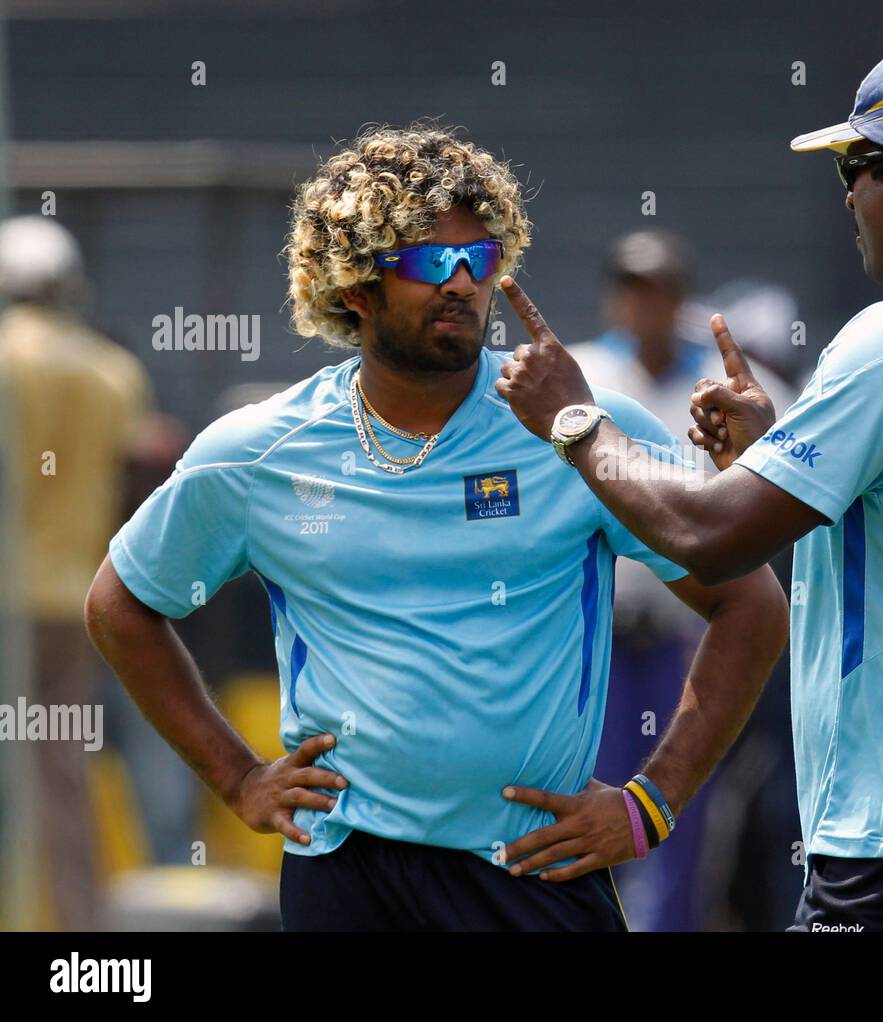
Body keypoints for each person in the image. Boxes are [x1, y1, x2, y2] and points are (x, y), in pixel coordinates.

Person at [84, 122, 788, 932]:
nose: (462, 283)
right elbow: (120, 604)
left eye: (480, 258)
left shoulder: (577, 425)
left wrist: (649, 805)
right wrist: (239, 778)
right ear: (355, 286)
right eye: (429, 262)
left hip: (533, 873)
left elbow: (751, 605)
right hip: (346, 880)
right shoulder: (261, 450)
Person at [491, 42, 883, 931]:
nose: (849, 202)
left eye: (853, 172)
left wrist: (576, 423)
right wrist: (778, 457)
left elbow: (709, 536)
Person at [569, 230, 792, 930]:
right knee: (583, 797)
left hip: (688, 631)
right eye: (634, 288)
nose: (647, 304)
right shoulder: (580, 374)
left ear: (681, 297)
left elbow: (786, 469)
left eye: (660, 289)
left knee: (675, 811)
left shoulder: (730, 380)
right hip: (590, 635)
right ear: (614, 298)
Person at [0, 215, 153, 930]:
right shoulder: (113, 371)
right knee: (61, 776)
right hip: (77, 602)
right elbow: (130, 489)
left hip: (8, 602)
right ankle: (77, 932)